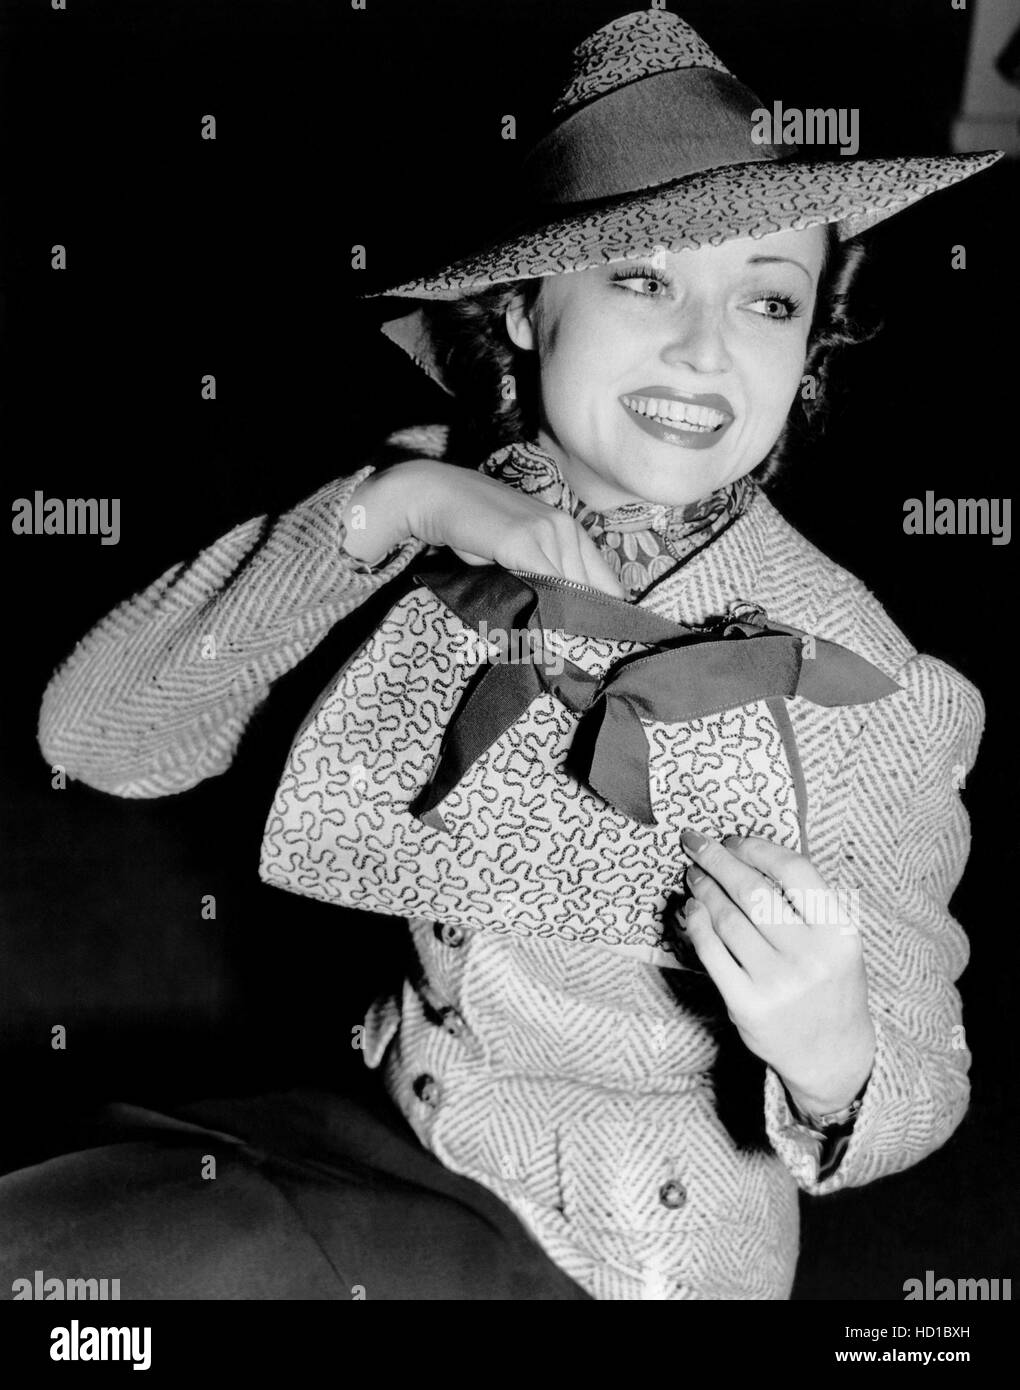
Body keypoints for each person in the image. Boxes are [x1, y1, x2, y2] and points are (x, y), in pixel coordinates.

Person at [2, 9, 1002, 1301]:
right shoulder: (435, 525)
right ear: (526, 311)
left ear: (809, 345)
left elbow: (923, 1075)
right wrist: (381, 514)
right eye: (644, 278)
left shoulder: (856, 673)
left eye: (767, 298)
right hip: (384, 1128)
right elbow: (103, 739)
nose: (706, 350)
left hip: (616, 1247)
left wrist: (831, 1052)